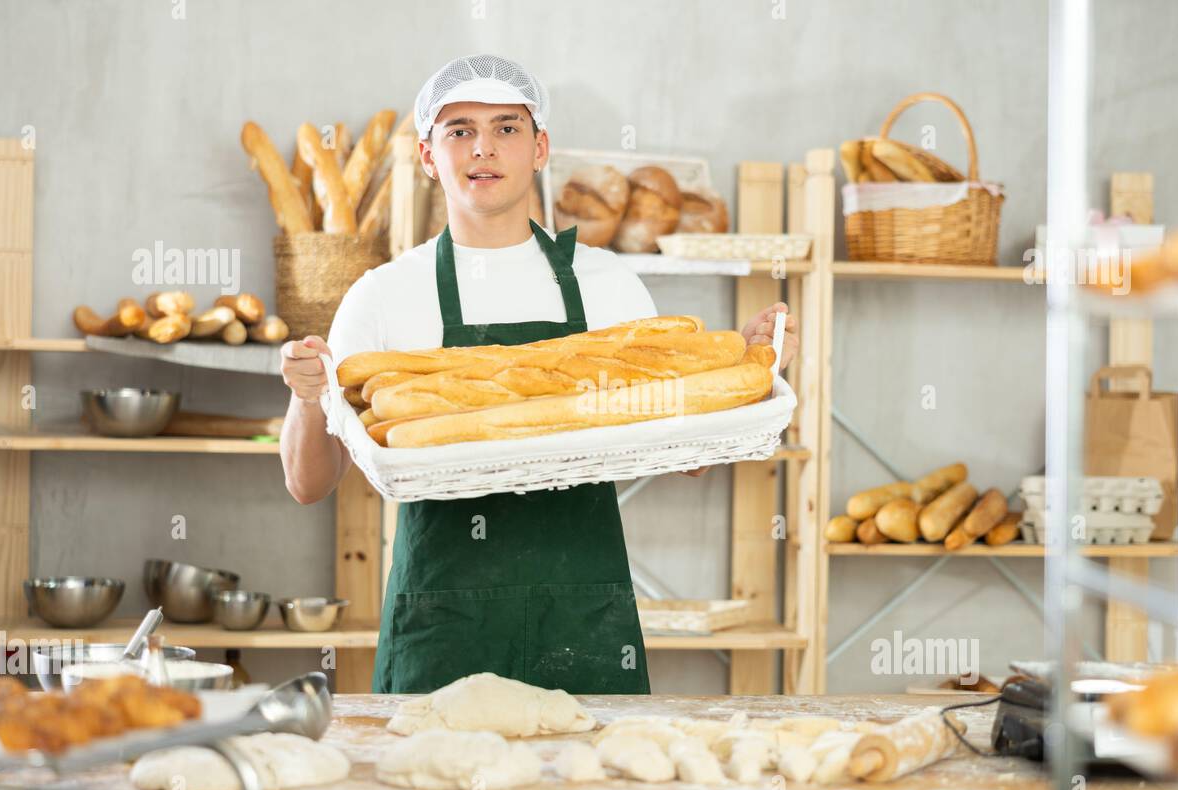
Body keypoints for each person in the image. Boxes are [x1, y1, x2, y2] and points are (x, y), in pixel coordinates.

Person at [278, 54, 799, 694]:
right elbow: (309, 483)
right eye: (460, 131)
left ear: (540, 147)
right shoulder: (382, 295)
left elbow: (687, 458)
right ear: (427, 156)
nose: (484, 149)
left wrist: (749, 366)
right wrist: (308, 400)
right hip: (444, 618)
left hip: (582, 615)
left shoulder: (607, 284)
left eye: (506, 127)